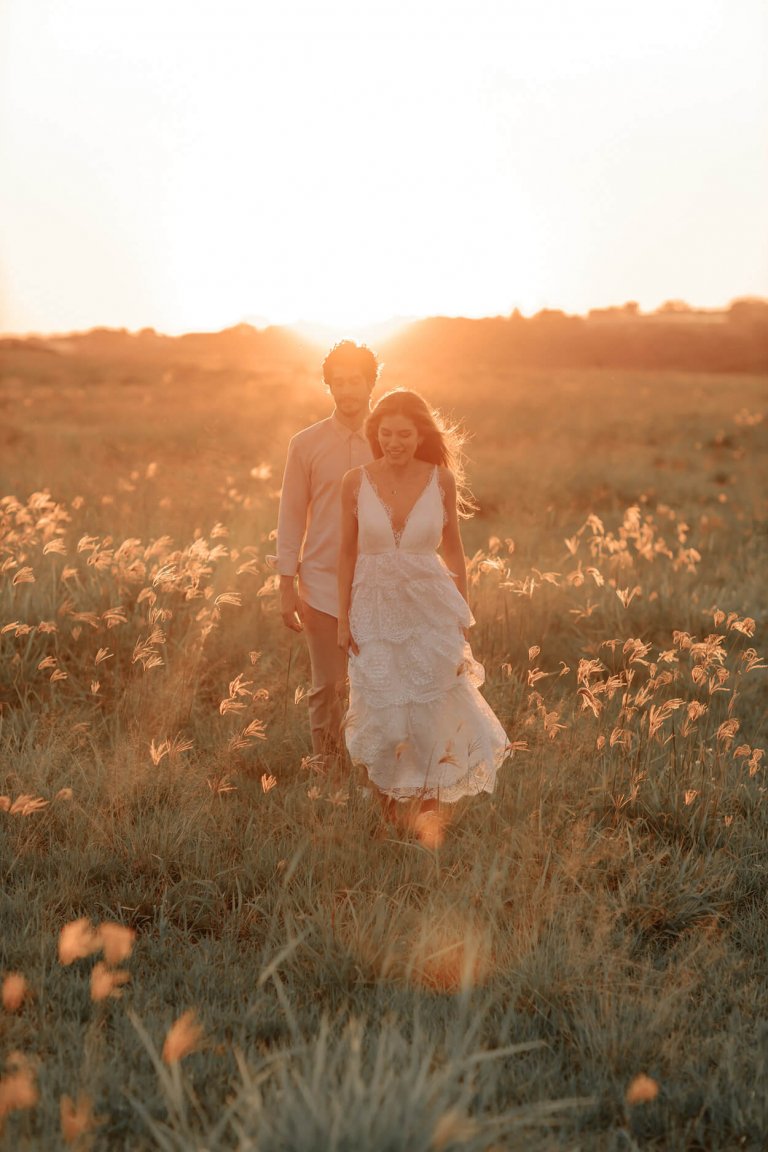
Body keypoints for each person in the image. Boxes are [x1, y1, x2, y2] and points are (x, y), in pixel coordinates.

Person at [337, 389, 509, 840]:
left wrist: (460, 615)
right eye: (385, 433)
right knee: (382, 711)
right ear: (375, 435)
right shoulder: (354, 481)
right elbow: (345, 553)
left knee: (431, 711)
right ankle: (389, 813)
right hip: (372, 608)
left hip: (430, 610)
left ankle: (428, 813)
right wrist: (342, 617)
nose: (394, 442)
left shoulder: (441, 479)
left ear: (420, 435)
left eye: (404, 434)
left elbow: (454, 550)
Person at [276, 339, 379, 766]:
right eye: (339, 383)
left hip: (380, 583)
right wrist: (285, 584)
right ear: (329, 387)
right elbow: (291, 516)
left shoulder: (391, 441)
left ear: (371, 382)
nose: (347, 390)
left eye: (355, 381)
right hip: (319, 585)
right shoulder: (306, 444)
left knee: (379, 686)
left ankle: (380, 774)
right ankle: (330, 779)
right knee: (328, 689)